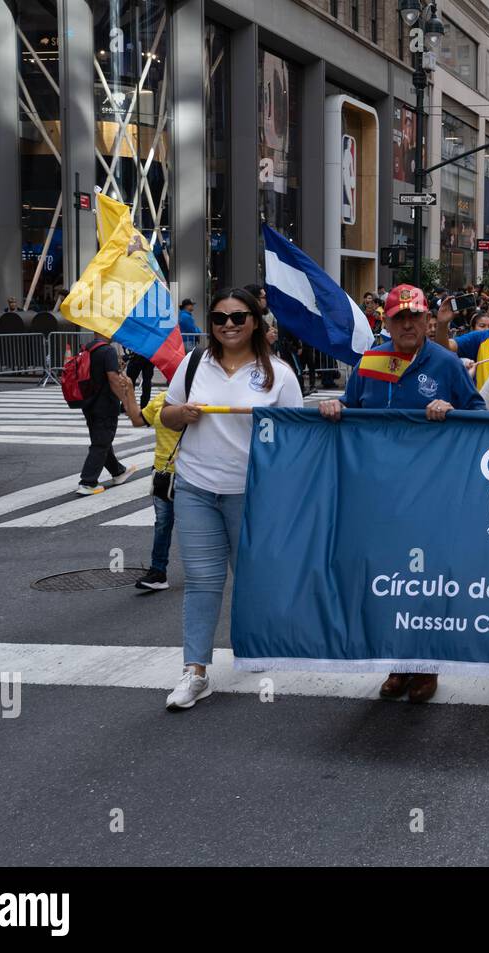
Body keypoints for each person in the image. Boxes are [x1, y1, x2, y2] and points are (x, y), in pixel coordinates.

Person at [319, 284, 484, 704]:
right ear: (387, 322)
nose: (408, 324)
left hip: (432, 497)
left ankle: (426, 665)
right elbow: (351, 405)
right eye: (399, 318)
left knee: (425, 581)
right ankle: (398, 662)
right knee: (387, 579)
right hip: (379, 495)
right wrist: (336, 407)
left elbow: (481, 415)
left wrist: (454, 411)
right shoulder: (371, 363)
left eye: (415, 317)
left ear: (429, 320)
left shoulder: (446, 364)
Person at [159, 288, 302, 711]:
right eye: (220, 318)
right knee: (202, 582)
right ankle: (195, 671)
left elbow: (294, 436)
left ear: (255, 321)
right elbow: (165, 413)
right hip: (195, 486)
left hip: (251, 492)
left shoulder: (278, 374)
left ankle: (255, 644)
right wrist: (180, 414)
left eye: (239, 317)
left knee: (251, 579)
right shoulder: (192, 364)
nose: (229, 326)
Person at [118, 382, 179, 592]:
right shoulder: (163, 398)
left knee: (197, 528)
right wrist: (128, 393)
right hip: (163, 473)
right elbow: (138, 419)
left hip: (194, 475)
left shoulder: (206, 401)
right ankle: (158, 572)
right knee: (163, 524)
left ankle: (206, 573)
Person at [77, 336, 134, 496]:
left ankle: (118, 472)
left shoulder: (88, 348)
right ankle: (87, 482)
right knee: (101, 443)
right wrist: (126, 401)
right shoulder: (108, 350)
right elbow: (113, 379)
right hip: (105, 404)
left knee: (102, 439)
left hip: (89, 403)